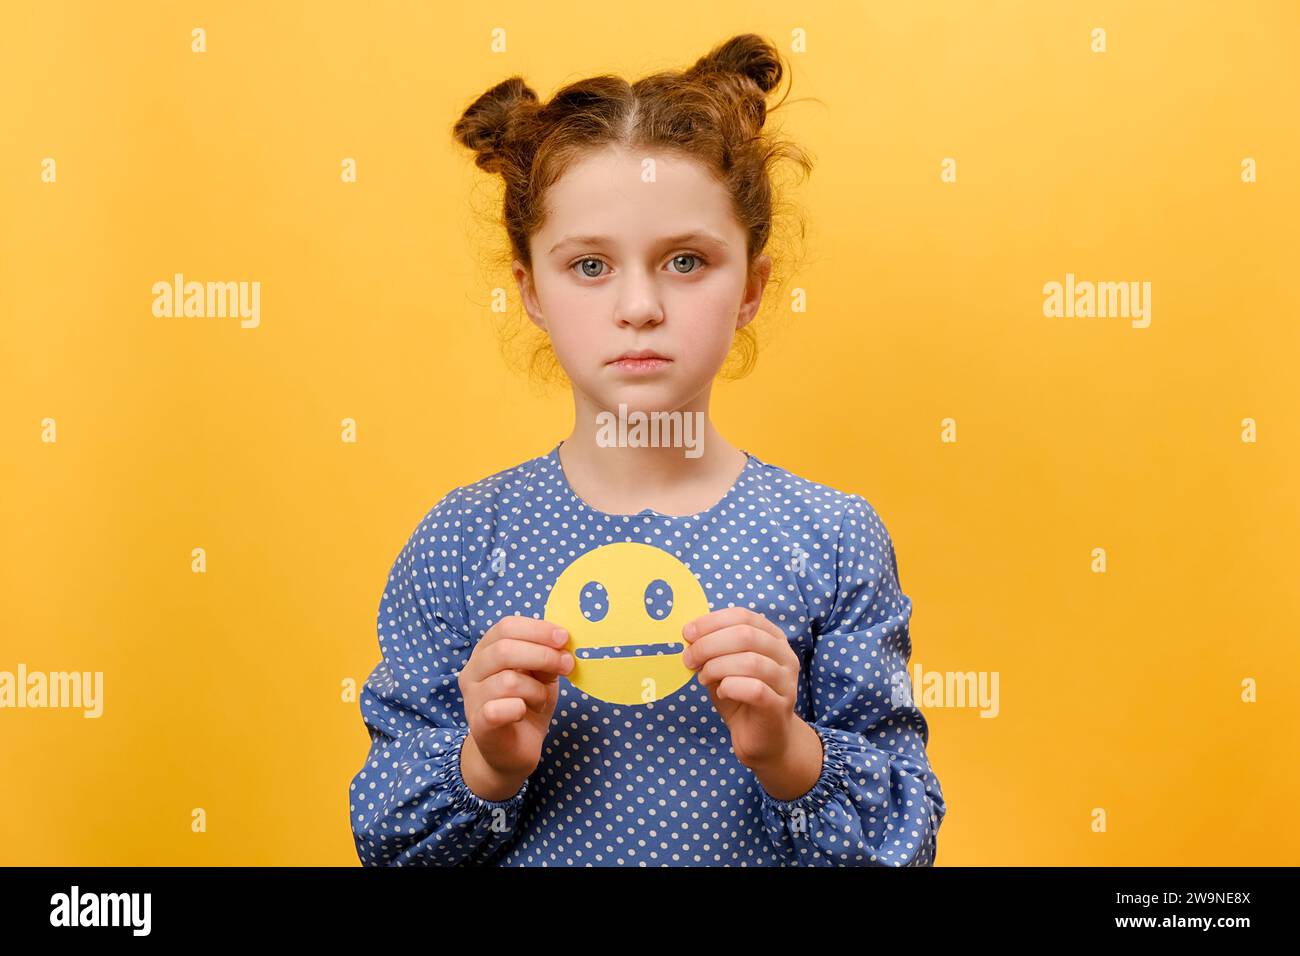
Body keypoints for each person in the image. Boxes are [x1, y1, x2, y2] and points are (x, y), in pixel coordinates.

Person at [348, 33, 946, 866]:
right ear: (530, 290)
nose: (638, 306)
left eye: (686, 261)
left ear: (751, 288)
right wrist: (485, 765)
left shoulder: (834, 540)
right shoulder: (459, 541)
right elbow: (387, 842)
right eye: (590, 265)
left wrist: (787, 751)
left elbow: (901, 843)